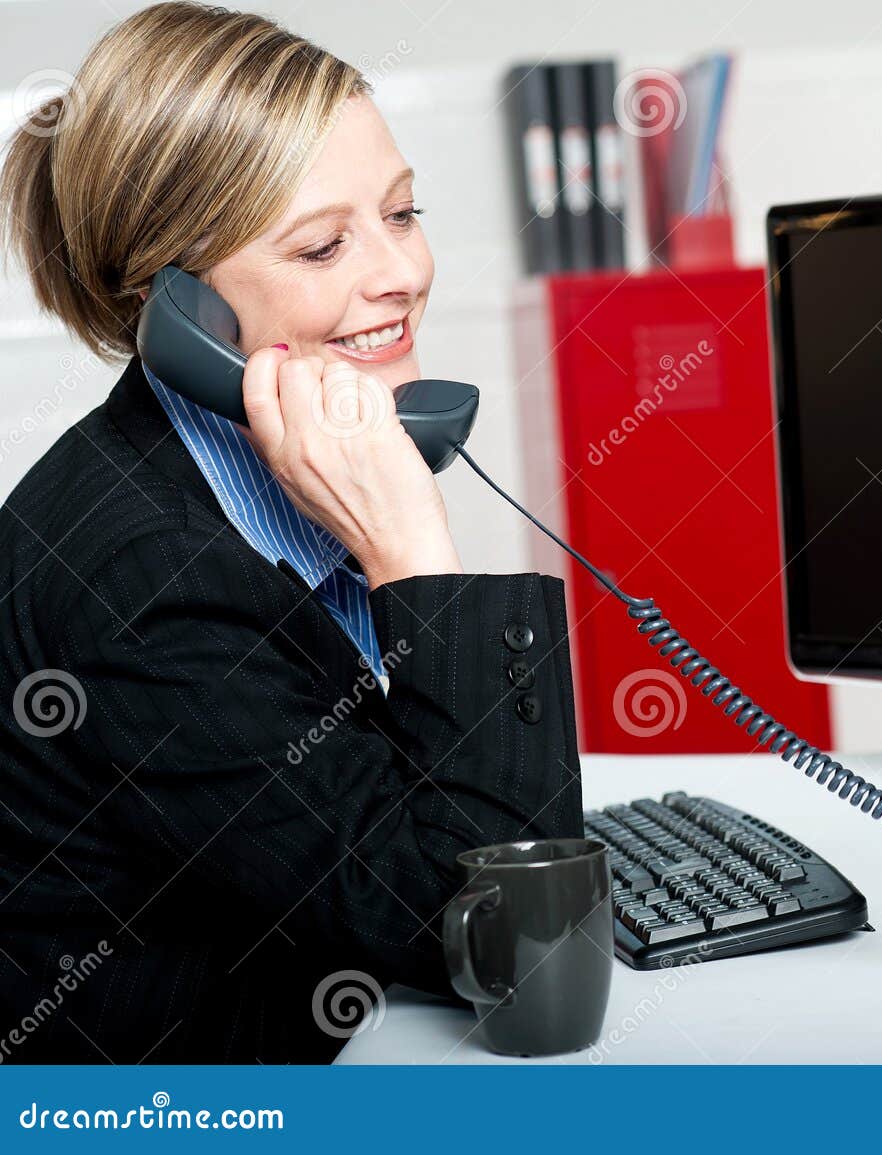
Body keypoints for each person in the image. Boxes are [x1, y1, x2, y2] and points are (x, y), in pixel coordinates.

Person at [0, 2, 582, 1062]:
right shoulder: (144, 577)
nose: (399, 274)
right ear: (183, 311)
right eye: (322, 246)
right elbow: (498, 944)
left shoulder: (254, 487)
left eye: (402, 214)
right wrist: (411, 545)